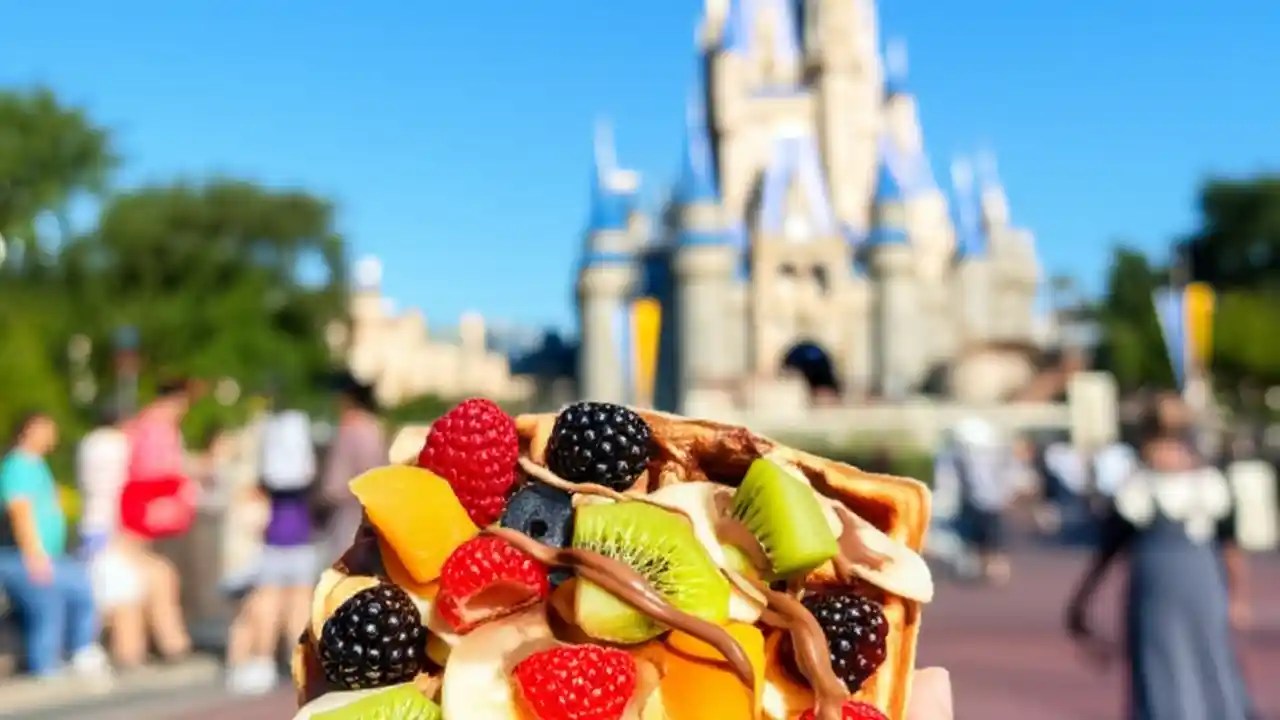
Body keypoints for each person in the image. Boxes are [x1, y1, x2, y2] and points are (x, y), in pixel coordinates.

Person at [1065, 397, 1257, 720]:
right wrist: (1082, 600)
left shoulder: (1209, 486)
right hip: (1155, 591)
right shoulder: (1137, 488)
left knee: (1208, 655)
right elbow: (1109, 549)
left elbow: (1229, 546)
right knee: (1159, 660)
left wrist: (1238, 596)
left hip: (1200, 587)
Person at [0, 412, 110, 680]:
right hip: (21, 556)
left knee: (80, 587)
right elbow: (20, 512)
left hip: (48, 555)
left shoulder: (37, 465)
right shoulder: (17, 466)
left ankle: (80, 650)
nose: (53, 436)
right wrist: (34, 556)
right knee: (46, 603)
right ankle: (45, 665)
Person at [225, 399, 319, 695]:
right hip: (302, 542)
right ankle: (299, 663)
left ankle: (264, 661)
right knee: (298, 609)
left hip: (275, 543)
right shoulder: (303, 470)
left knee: (269, 605)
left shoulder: (268, 467)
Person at [115, 379, 198, 667]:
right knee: (159, 578)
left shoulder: (143, 425)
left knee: (153, 579)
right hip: (149, 517)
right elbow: (152, 473)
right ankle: (170, 641)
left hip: (146, 516)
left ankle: (152, 642)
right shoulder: (156, 427)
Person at [75, 404, 147, 665]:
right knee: (123, 593)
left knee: (99, 592)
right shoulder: (116, 444)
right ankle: (127, 654)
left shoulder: (89, 443)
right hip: (111, 527)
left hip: (91, 526)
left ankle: (98, 648)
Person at [318, 372, 386, 567]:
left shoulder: (355, 427)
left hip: (351, 513)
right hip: (361, 512)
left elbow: (337, 480)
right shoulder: (371, 426)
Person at [944, 417, 1019, 585]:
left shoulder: (987, 455)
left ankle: (995, 569)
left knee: (991, 537)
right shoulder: (978, 455)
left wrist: (1005, 492)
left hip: (988, 501)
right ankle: (988, 569)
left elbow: (1002, 476)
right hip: (980, 501)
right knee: (980, 537)